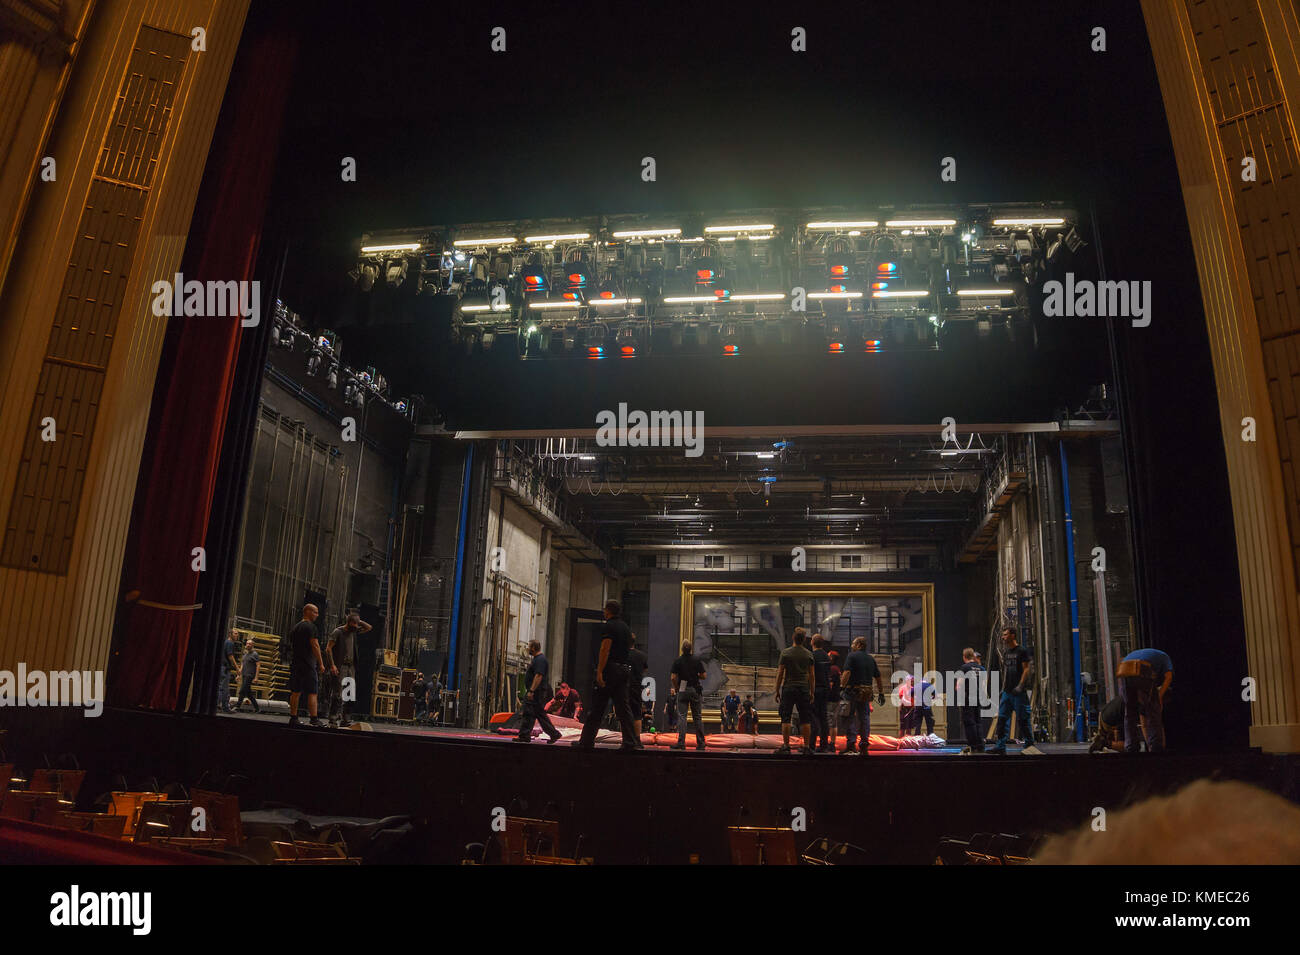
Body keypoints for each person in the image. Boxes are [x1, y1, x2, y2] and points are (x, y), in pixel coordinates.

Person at [575, 600, 640, 750]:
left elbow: (605, 649)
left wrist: (599, 671)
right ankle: (630, 742)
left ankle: (586, 741)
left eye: (605, 609)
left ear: (608, 611)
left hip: (610, 670)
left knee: (597, 707)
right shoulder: (625, 628)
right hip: (624, 670)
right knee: (624, 709)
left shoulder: (609, 626)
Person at [1118, 647, 1172, 754]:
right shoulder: (1166, 659)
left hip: (1124, 667)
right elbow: (1168, 678)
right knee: (1152, 709)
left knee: (1130, 710)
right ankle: (1156, 745)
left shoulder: (1154, 655)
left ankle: (1131, 745)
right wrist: (1159, 697)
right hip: (1141, 666)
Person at [989, 626, 1033, 755]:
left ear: (1013, 635)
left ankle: (1029, 744)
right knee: (1002, 719)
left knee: (1023, 719)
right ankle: (1000, 746)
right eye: (1003, 635)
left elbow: (1026, 669)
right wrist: (1004, 688)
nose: (1003, 637)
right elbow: (1007, 672)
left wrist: (1020, 685)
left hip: (1018, 692)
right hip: (1007, 692)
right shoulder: (1007, 653)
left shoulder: (1022, 651)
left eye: (1005, 635)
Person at [322, 611, 370, 728]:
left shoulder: (353, 631)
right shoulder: (338, 632)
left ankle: (345, 719)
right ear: (349, 623)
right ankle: (333, 719)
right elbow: (328, 649)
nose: (356, 627)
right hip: (340, 665)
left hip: (351, 666)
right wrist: (332, 665)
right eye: (354, 624)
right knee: (338, 693)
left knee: (349, 694)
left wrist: (359, 621)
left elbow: (369, 628)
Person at [774, 627, 816, 755]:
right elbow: (812, 675)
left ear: (793, 638)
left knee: (786, 718)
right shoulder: (808, 654)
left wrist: (777, 690)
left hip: (789, 688)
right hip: (803, 688)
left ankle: (786, 746)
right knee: (805, 718)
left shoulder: (786, 653)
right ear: (804, 640)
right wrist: (812, 692)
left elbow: (780, 673)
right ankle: (807, 747)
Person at [841, 637, 884, 755]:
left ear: (859, 645)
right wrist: (881, 693)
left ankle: (851, 745)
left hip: (852, 692)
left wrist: (841, 687)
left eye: (853, 643)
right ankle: (864, 745)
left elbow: (847, 672)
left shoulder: (851, 656)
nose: (851, 645)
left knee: (849, 717)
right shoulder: (870, 659)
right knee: (864, 718)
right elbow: (878, 677)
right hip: (866, 692)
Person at [514, 640, 562, 744]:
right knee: (537, 714)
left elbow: (538, 675)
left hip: (536, 692)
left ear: (533, 648)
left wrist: (531, 691)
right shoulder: (538, 659)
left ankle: (525, 736)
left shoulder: (540, 660)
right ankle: (553, 734)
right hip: (537, 692)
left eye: (529, 647)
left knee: (529, 713)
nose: (528, 649)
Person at [287, 604, 325, 727]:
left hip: (296, 663)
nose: (317, 615)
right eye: (315, 612)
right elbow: (315, 645)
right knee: (312, 692)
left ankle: (293, 718)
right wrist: (321, 663)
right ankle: (314, 719)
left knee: (295, 692)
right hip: (308, 664)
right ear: (307, 612)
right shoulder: (311, 627)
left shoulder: (295, 627)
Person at [670, 640, 708, 750]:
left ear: (682, 649)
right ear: (691, 649)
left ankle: (681, 743)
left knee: (682, 717)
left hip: (682, 687)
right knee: (697, 717)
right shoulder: (696, 660)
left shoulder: (678, 661)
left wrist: (677, 687)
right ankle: (701, 743)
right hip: (695, 689)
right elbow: (704, 676)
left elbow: (673, 677)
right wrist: (696, 676)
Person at [958, 647, 985, 752]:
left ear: (964, 657)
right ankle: (981, 745)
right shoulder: (981, 668)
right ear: (973, 656)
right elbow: (983, 685)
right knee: (978, 721)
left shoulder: (964, 667)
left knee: (969, 722)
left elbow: (959, 684)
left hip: (968, 698)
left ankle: (973, 746)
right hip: (978, 698)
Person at [810, 635, 833, 752]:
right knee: (823, 717)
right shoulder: (826, 656)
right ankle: (824, 745)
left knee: (813, 717)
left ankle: (811, 745)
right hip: (825, 689)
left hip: (815, 689)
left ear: (812, 642)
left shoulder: (812, 656)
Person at [628, 633, 649, 738]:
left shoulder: (623, 654)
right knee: (637, 714)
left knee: (624, 713)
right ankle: (637, 739)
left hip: (624, 687)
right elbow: (645, 669)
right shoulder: (642, 656)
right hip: (637, 686)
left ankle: (627, 739)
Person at [235, 637, 261, 713]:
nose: (248, 645)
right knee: (248, 694)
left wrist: (256, 677)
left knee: (242, 691)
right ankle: (257, 708)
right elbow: (242, 666)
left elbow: (258, 665)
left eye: (250, 644)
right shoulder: (245, 655)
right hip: (244, 675)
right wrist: (238, 675)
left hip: (250, 675)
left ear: (252, 645)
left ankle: (237, 706)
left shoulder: (255, 654)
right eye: (247, 643)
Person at [218, 629, 239, 712]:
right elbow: (230, 656)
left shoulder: (226, 642)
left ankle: (224, 706)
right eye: (235, 634)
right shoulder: (230, 643)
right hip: (225, 668)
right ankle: (222, 706)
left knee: (223, 687)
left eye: (237, 634)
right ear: (230, 634)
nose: (237, 635)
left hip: (223, 668)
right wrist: (237, 668)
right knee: (223, 687)